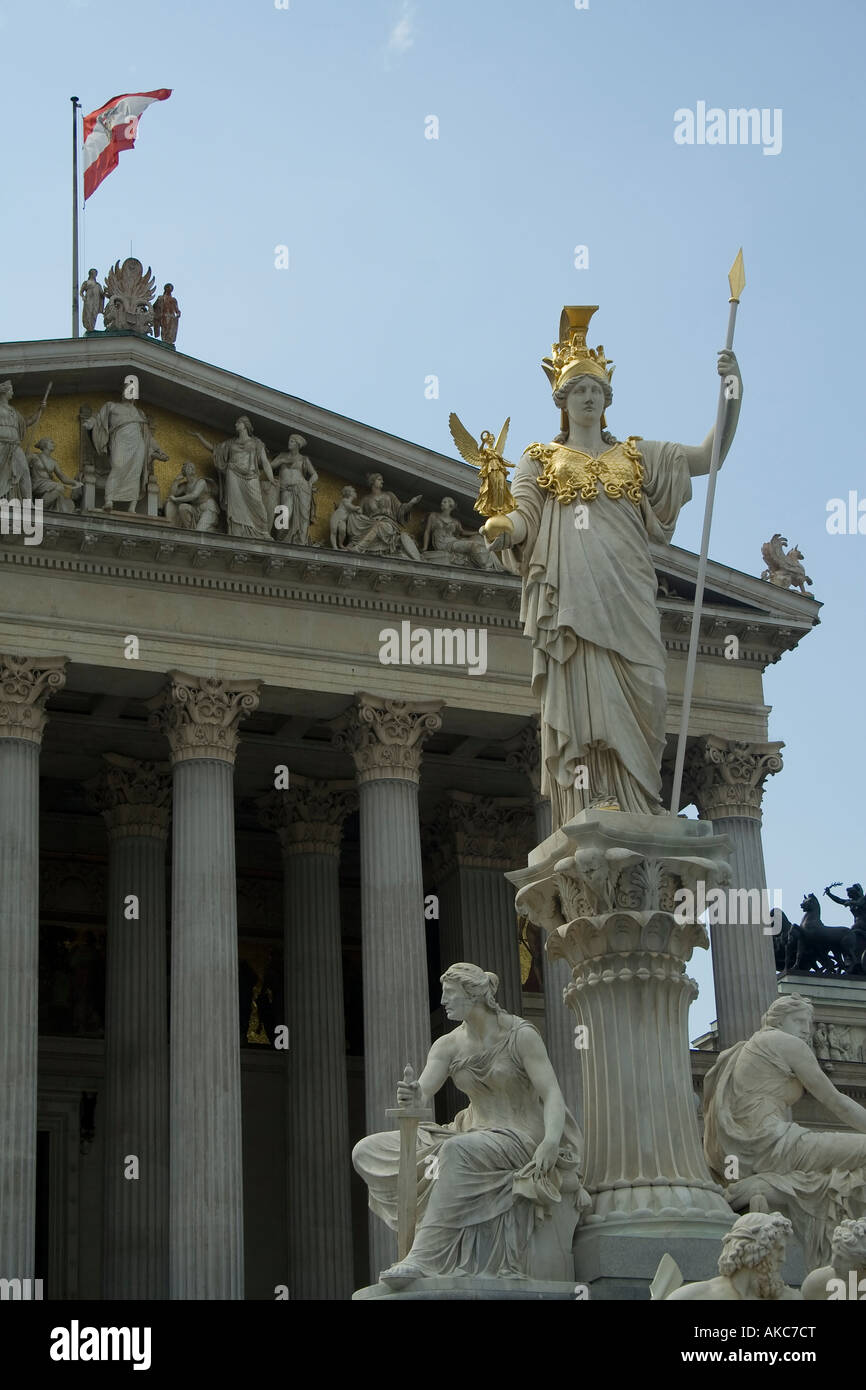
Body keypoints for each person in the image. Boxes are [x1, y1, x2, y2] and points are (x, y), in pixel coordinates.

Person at [481, 306, 741, 825]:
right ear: (562, 399)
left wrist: (732, 391)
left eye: (596, 390)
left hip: (630, 595)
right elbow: (526, 515)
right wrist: (504, 527)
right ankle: (594, 796)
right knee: (587, 697)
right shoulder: (541, 459)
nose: (588, 397)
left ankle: (640, 803)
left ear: (606, 399)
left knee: (648, 690)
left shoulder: (638, 456)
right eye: (579, 389)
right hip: (574, 597)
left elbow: (710, 456)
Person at [352, 961, 587, 1285]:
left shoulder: (520, 1035)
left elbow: (552, 1094)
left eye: (450, 994)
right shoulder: (447, 1045)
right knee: (367, 1150)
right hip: (469, 1131)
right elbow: (423, 1092)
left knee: (456, 1152)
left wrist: (550, 1141)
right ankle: (434, 1231)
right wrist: (412, 1094)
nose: (444, 1001)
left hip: (519, 1136)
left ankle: (425, 1257)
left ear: (473, 994)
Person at [703, 995, 866, 1267]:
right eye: (799, 1021)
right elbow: (836, 1102)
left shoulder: (744, 1049)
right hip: (773, 1144)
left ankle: (769, 1187)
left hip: (747, 1150)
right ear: (778, 1020)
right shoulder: (787, 1043)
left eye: (809, 1023)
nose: (806, 1030)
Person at [665, 1211, 800, 1301]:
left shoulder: (792, 1298)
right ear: (753, 1249)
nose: (783, 1258)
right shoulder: (695, 1296)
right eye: (779, 1249)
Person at [188, 417, 275, 539]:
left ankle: (263, 531)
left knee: (257, 503)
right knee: (235, 506)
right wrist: (200, 437)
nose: (235, 425)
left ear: (245, 425)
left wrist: (271, 479)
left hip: (251, 476)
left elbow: (265, 462)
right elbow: (215, 449)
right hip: (233, 474)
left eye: (238, 423)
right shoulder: (231, 443)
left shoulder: (256, 442)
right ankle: (237, 532)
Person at [84, 389, 166, 511]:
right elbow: (100, 421)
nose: (130, 393)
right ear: (123, 394)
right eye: (128, 390)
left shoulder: (139, 413)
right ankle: (109, 501)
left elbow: (147, 436)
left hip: (138, 444)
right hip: (119, 440)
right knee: (117, 466)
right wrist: (91, 424)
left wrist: (159, 450)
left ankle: (132, 507)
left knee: (135, 474)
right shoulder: (111, 406)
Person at [272, 433, 317, 543]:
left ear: (298, 445)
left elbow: (314, 475)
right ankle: (280, 540)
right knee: (284, 514)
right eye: (289, 440)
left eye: (292, 441)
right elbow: (271, 466)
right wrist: (282, 461)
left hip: (301, 490)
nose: (289, 443)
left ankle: (300, 541)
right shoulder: (283, 455)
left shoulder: (304, 459)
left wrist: (309, 484)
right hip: (285, 489)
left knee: (302, 518)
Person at [27, 438, 81, 512]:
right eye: (51, 442)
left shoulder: (53, 462)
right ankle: (39, 506)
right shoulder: (34, 457)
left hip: (48, 485)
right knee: (60, 487)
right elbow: (24, 469)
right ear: (44, 444)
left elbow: (63, 478)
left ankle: (40, 506)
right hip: (37, 483)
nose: (54, 444)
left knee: (59, 489)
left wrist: (74, 482)